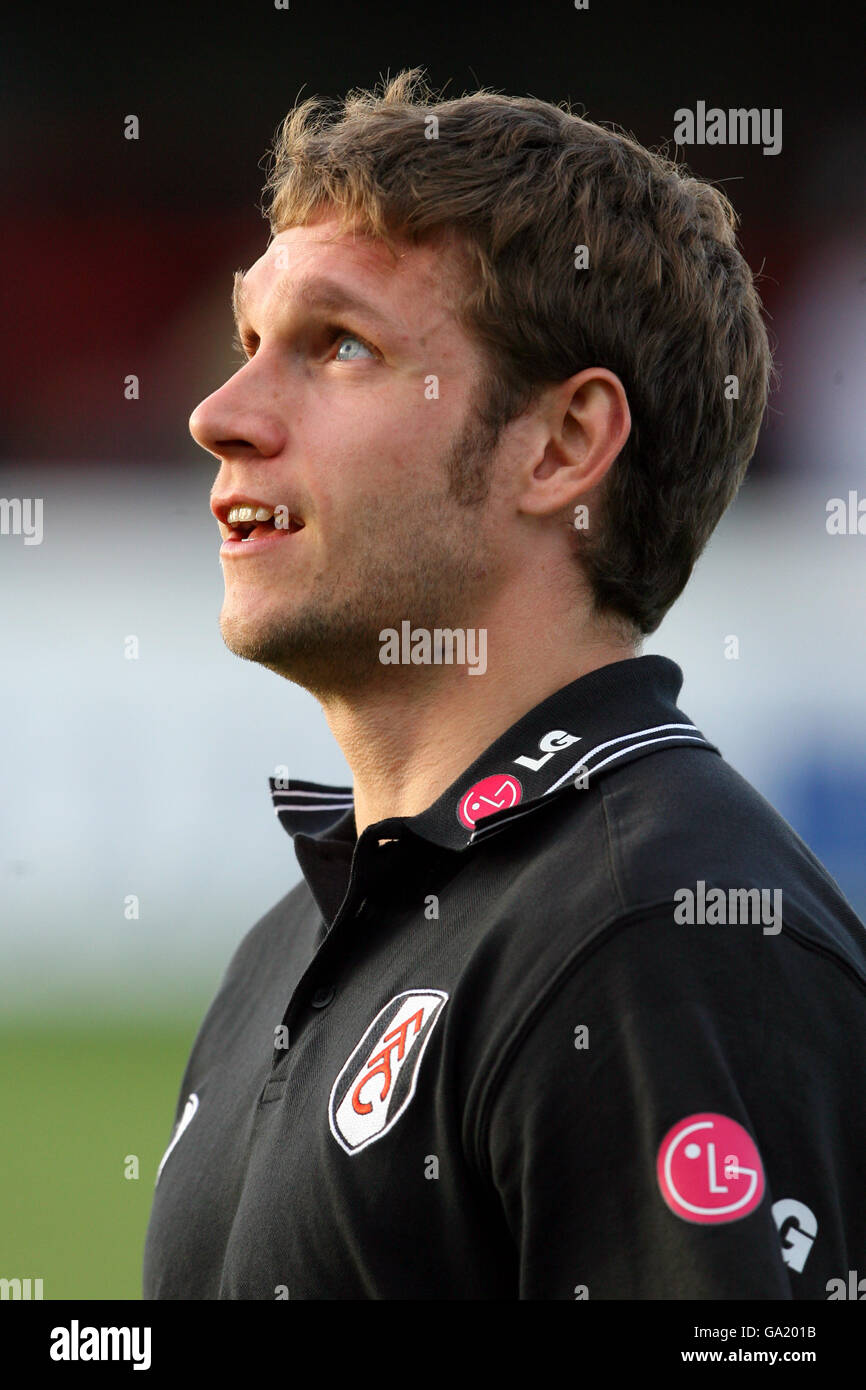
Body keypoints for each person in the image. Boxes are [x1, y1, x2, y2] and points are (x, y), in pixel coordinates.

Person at [143, 69, 866, 1300]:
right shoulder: (293, 945)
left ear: (562, 445)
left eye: (340, 346)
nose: (222, 414)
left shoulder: (656, 934)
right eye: (247, 342)